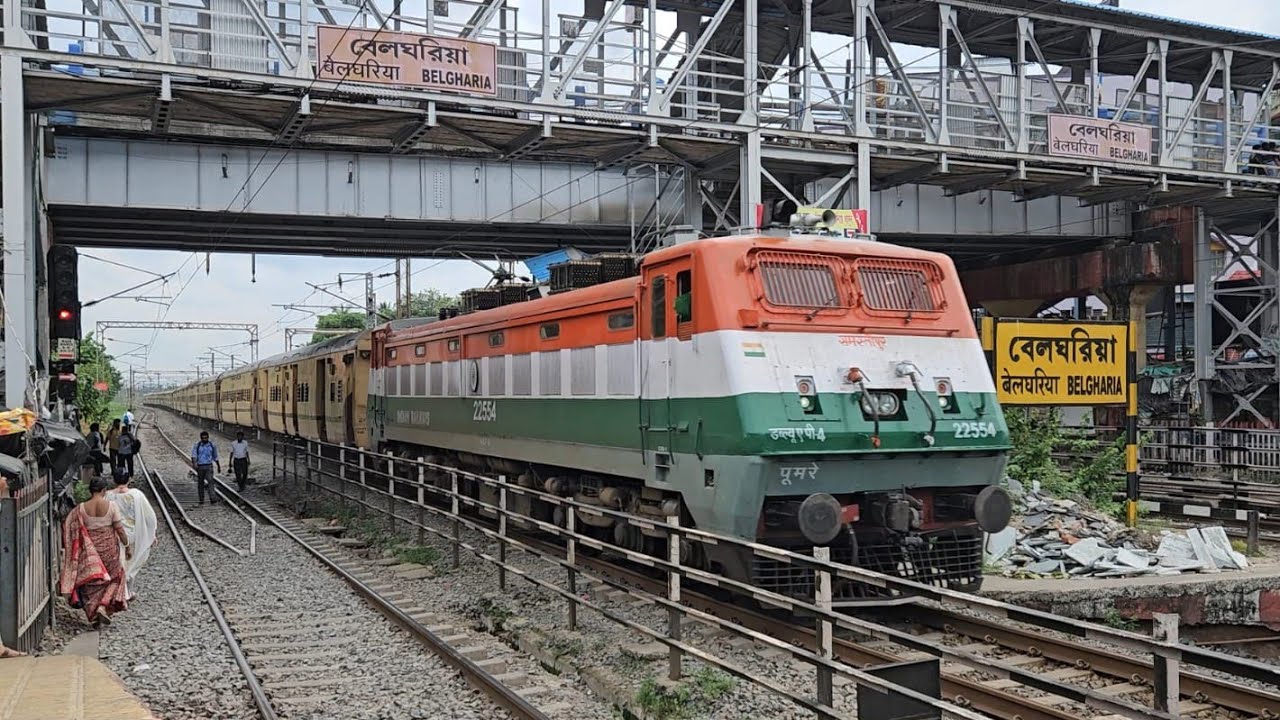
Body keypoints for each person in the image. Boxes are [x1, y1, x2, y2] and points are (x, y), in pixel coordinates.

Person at [59, 475, 130, 627]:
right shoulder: (111, 506)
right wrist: (127, 544)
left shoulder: (81, 509)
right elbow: (119, 529)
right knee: (115, 577)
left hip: (90, 551)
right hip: (109, 549)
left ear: (90, 490)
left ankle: (94, 614)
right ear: (104, 490)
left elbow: (71, 528)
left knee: (92, 583)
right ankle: (103, 606)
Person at [107, 466, 157, 599]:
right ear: (128, 479)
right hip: (133, 533)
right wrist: (152, 533)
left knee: (119, 563)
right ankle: (127, 591)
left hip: (114, 534)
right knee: (132, 560)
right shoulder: (137, 495)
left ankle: (120, 591)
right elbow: (149, 516)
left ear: (114, 480)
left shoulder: (108, 495)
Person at [191, 431, 221, 505]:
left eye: (206, 438)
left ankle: (213, 498)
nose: (204, 439)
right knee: (200, 483)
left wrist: (218, 466)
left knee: (210, 481)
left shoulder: (212, 445)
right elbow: (194, 455)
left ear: (208, 437)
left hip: (209, 466)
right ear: (201, 438)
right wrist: (194, 463)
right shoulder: (197, 445)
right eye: (203, 438)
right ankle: (201, 499)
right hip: (200, 466)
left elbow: (215, 456)